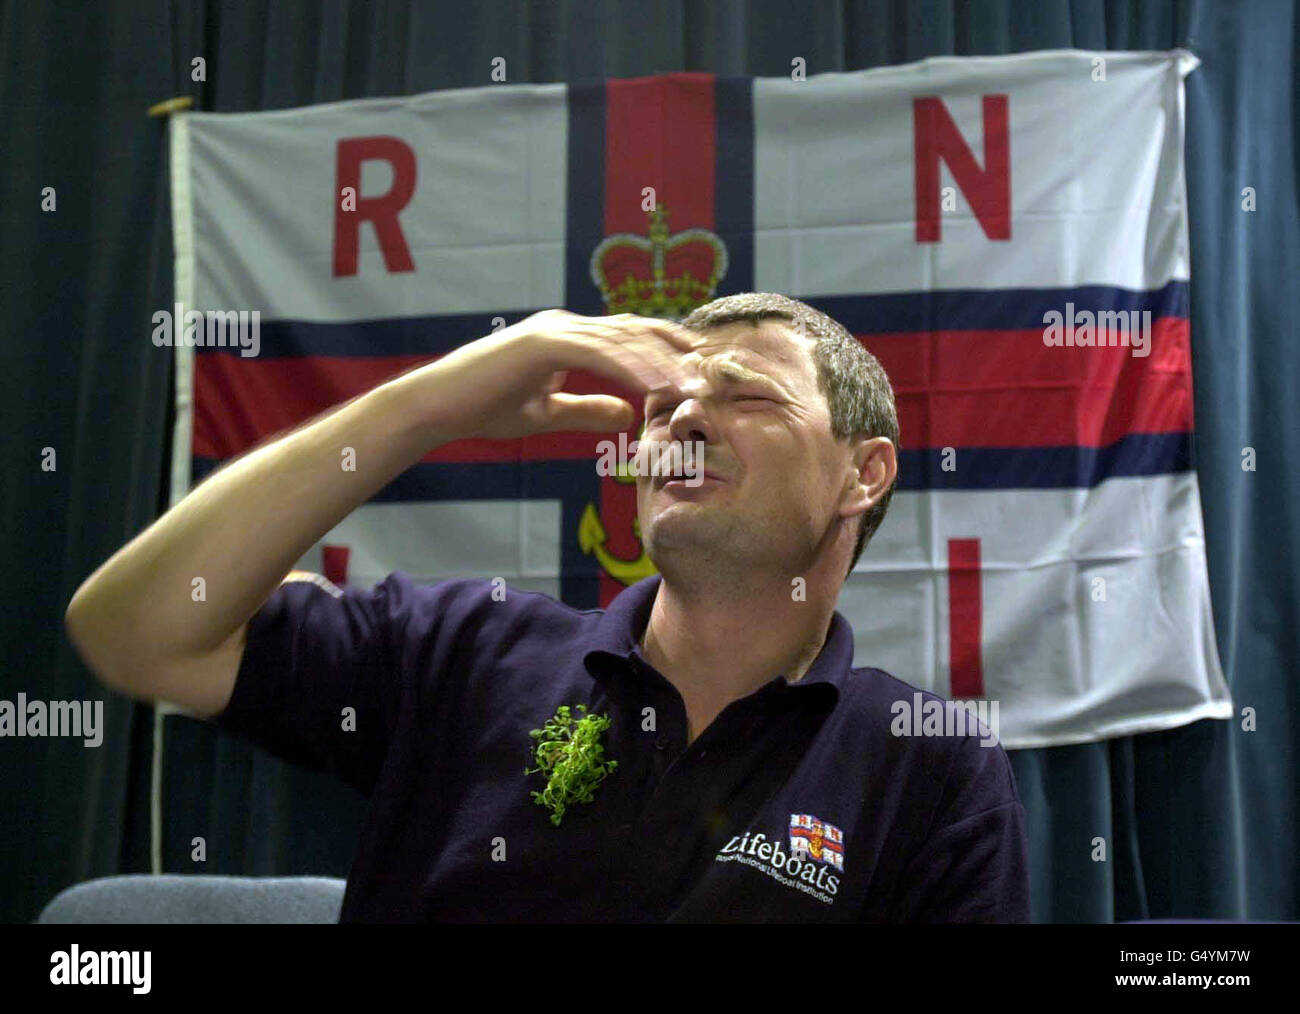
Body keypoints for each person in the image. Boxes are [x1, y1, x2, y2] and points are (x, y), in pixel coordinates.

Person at [65, 292, 1030, 922]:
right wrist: (430, 407)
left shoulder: (927, 764)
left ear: (863, 474)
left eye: (744, 396)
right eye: (663, 404)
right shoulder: (466, 650)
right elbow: (131, 632)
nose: (682, 416)